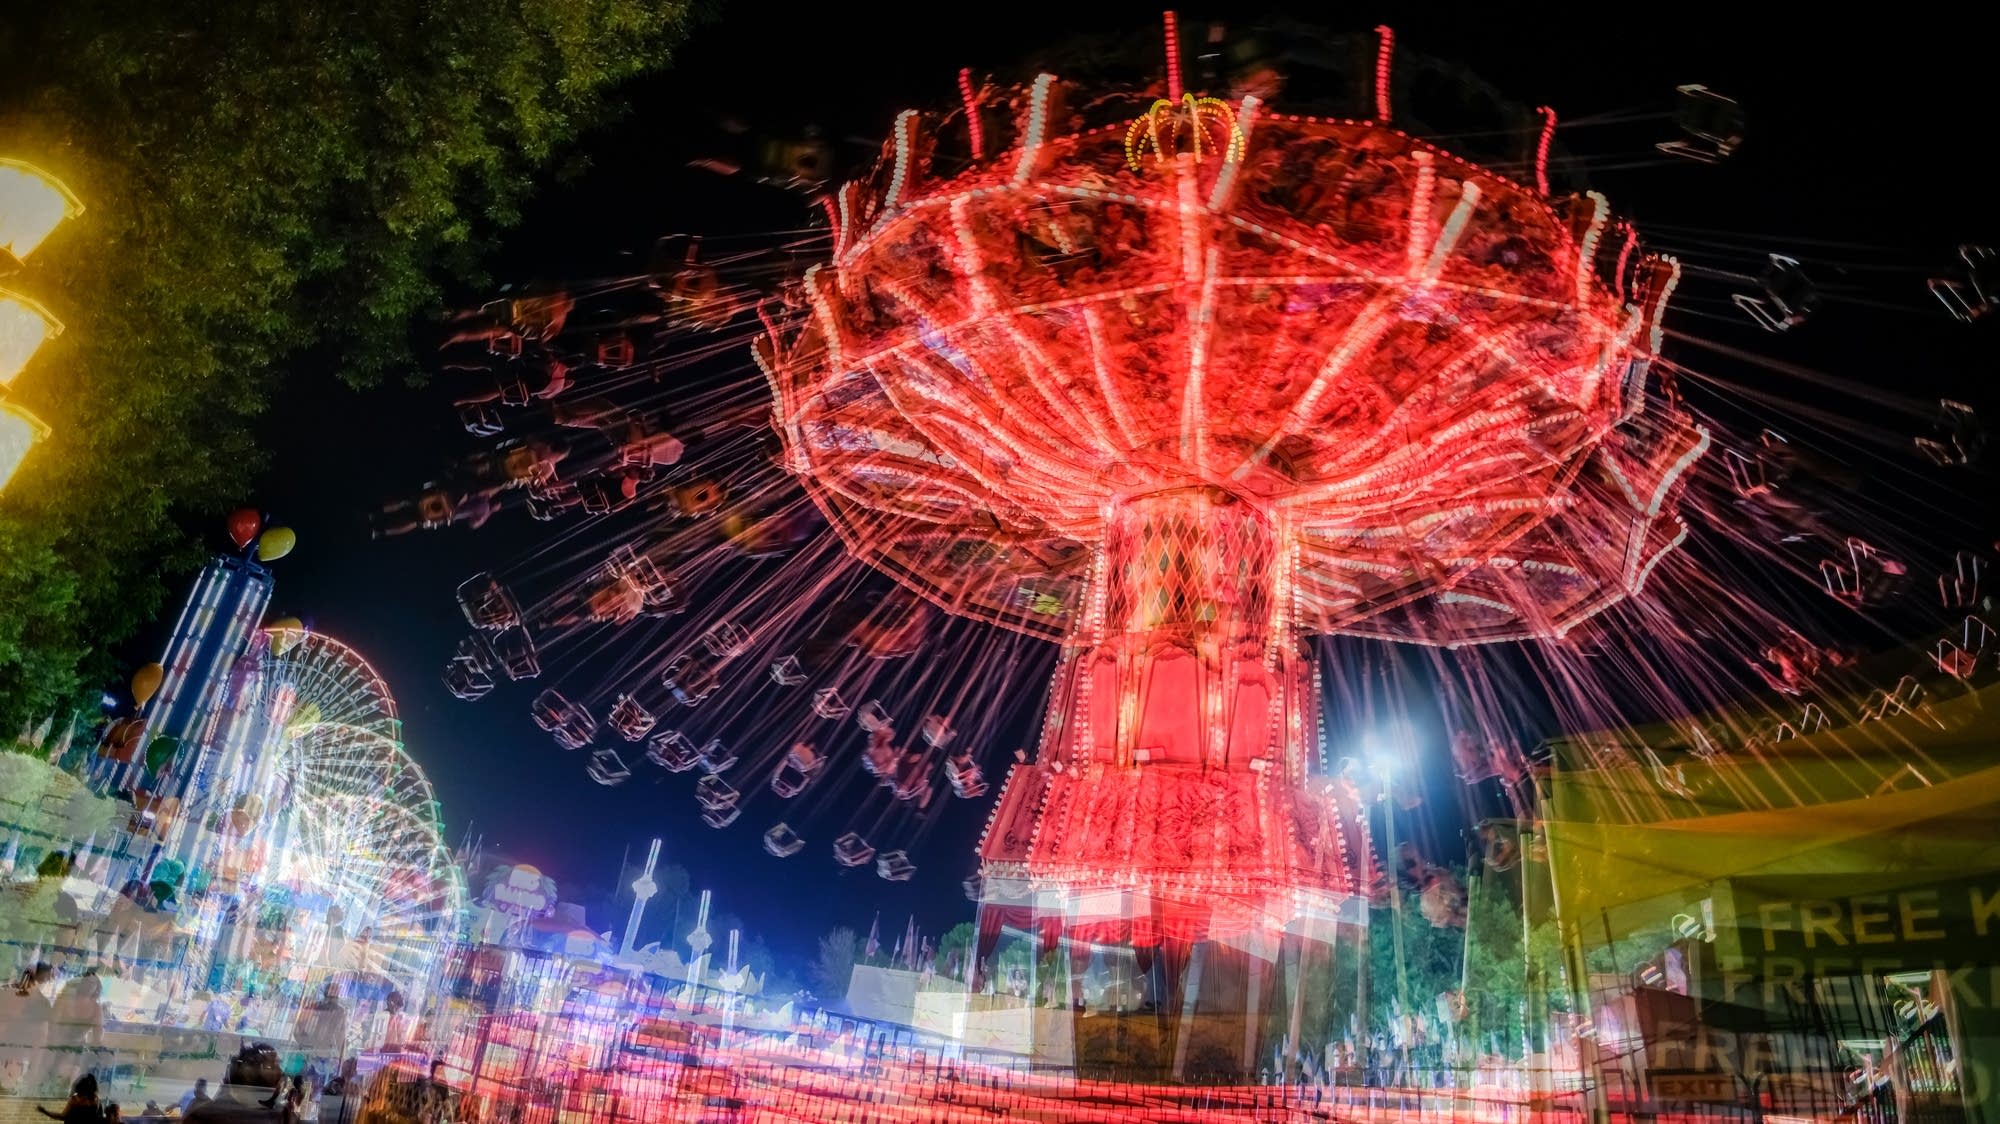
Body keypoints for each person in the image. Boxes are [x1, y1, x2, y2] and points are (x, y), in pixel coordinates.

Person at [37, 1073, 104, 1124]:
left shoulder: (75, 1100)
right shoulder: (96, 1101)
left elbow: (62, 1116)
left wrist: (45, 1112)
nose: (86, 1101)